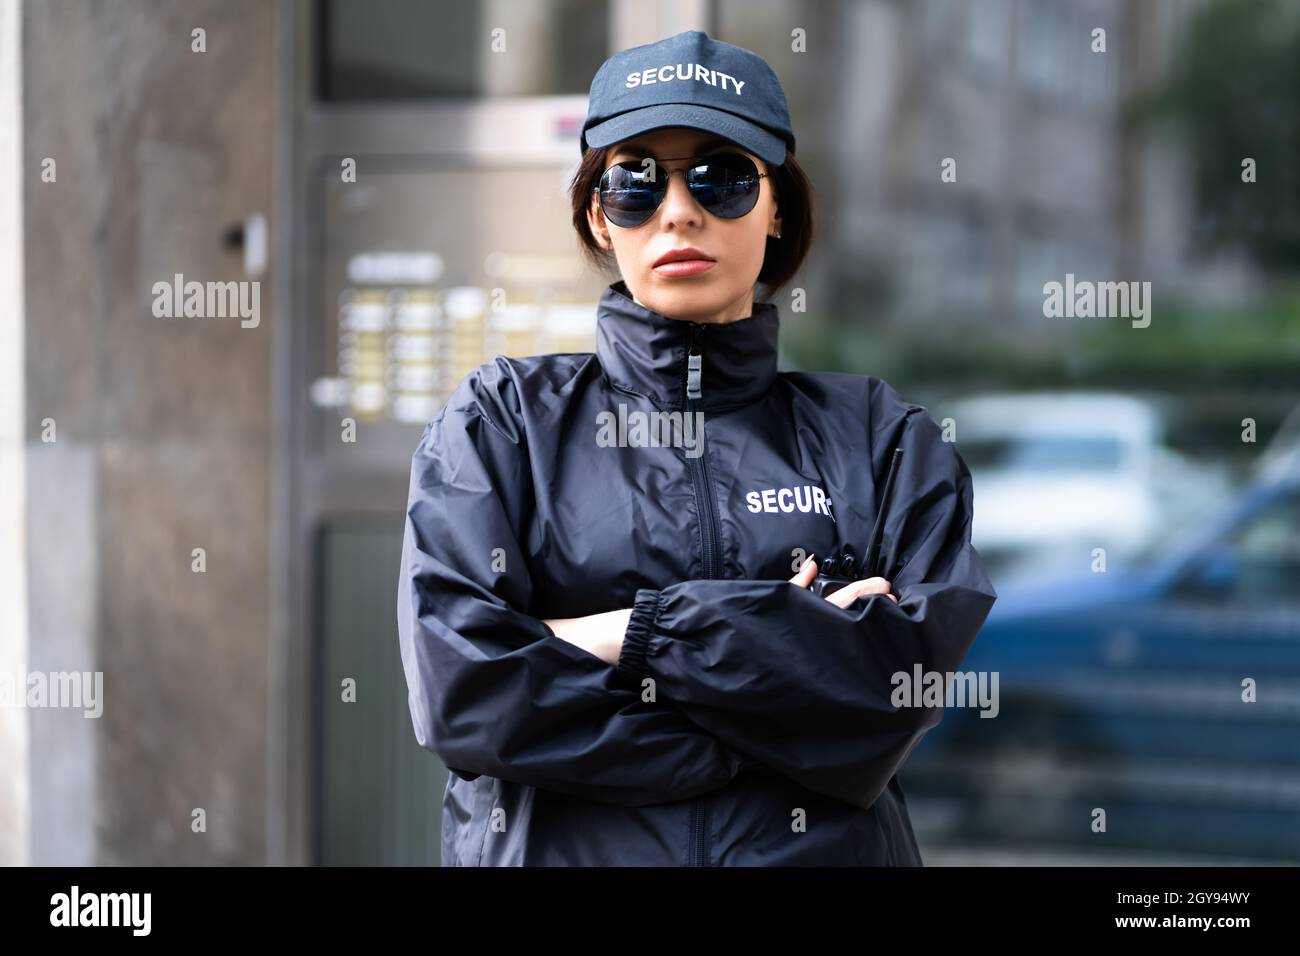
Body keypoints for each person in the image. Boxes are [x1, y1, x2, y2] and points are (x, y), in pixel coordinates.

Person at [397, 29, 997, 866]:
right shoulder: (502, 423)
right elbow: (466, 691)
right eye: (636, 181)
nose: (679, 210)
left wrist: (617, 634)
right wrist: (785, 687)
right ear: (599, 216)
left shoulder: (879, 438)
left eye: (720, 176)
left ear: (777, 204)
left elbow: (899, 687)